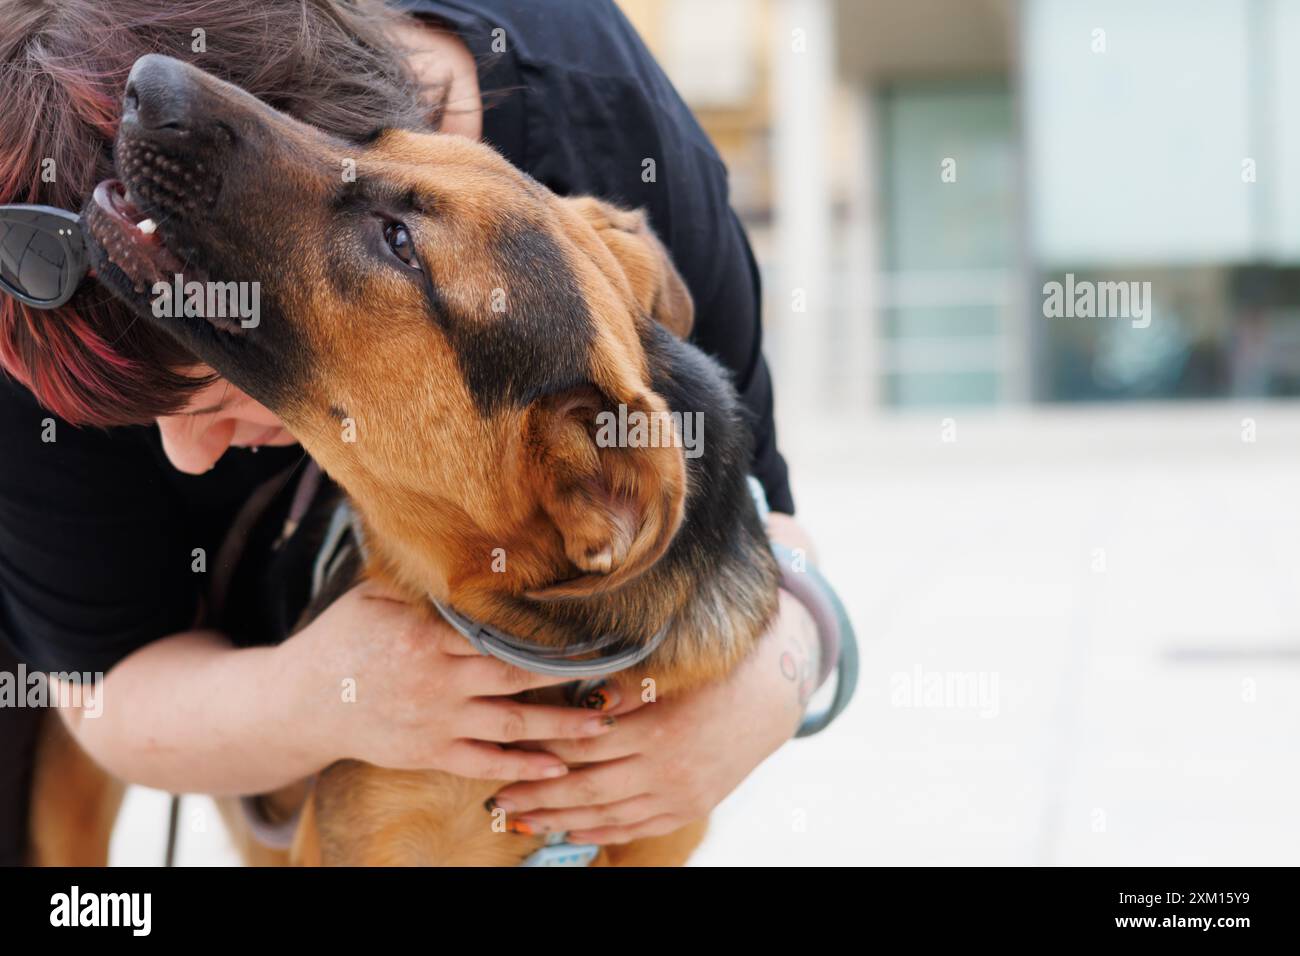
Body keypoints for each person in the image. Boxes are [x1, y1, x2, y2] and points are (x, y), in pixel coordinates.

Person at [0, 0, 824, 864]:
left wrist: (772, 688)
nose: (191, 454)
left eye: (213, 401)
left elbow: (776, 530)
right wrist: (318, 695)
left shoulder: (622, 138)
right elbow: (103, 685)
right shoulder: (45, 314)